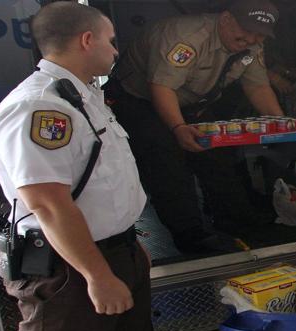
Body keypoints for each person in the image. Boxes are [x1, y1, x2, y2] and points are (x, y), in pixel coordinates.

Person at [0, 2, 218, 331]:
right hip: (69, 269)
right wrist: (97, 273)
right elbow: (49, 204)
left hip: (115, 251)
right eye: (111, 41)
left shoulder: (83, 96)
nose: (117, 51)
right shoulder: (40, 107)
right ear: (86, 40)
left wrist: (126, 247)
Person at [106, 0, 286, 254]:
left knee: (218, 154)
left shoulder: (251, 44)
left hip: (191, 102)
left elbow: (257, 85)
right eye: (247, 30)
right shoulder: (186, 38)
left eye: (259, 34)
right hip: (139, 100)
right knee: (167, 162)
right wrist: (178, 127)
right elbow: (162, 87)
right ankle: (191, 236)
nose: (251, 39)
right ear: (226, 19)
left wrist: (280, 122)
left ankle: (236, 221)